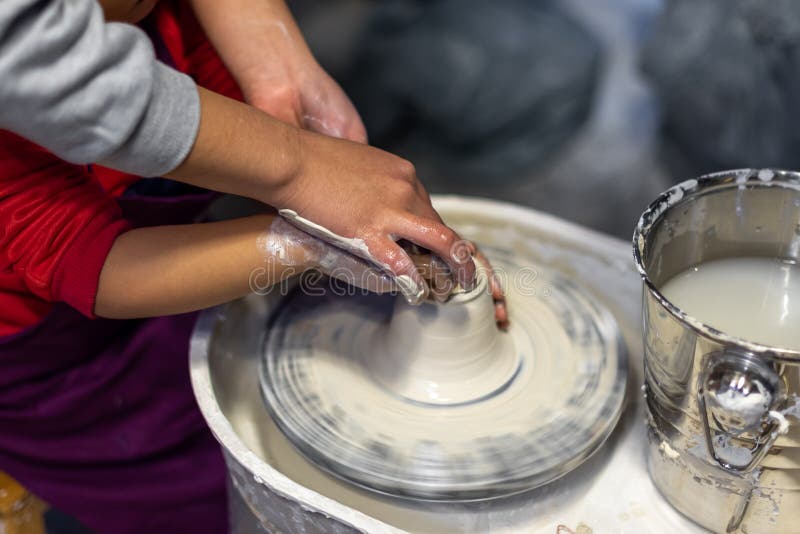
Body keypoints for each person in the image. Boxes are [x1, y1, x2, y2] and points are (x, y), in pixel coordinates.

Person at [0, 1, 506, 532]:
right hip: (58, 370)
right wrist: (309, 236)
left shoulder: (155, 20)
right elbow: (97, 262)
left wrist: (285, 74)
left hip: (162, 260)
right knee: (200, 493)